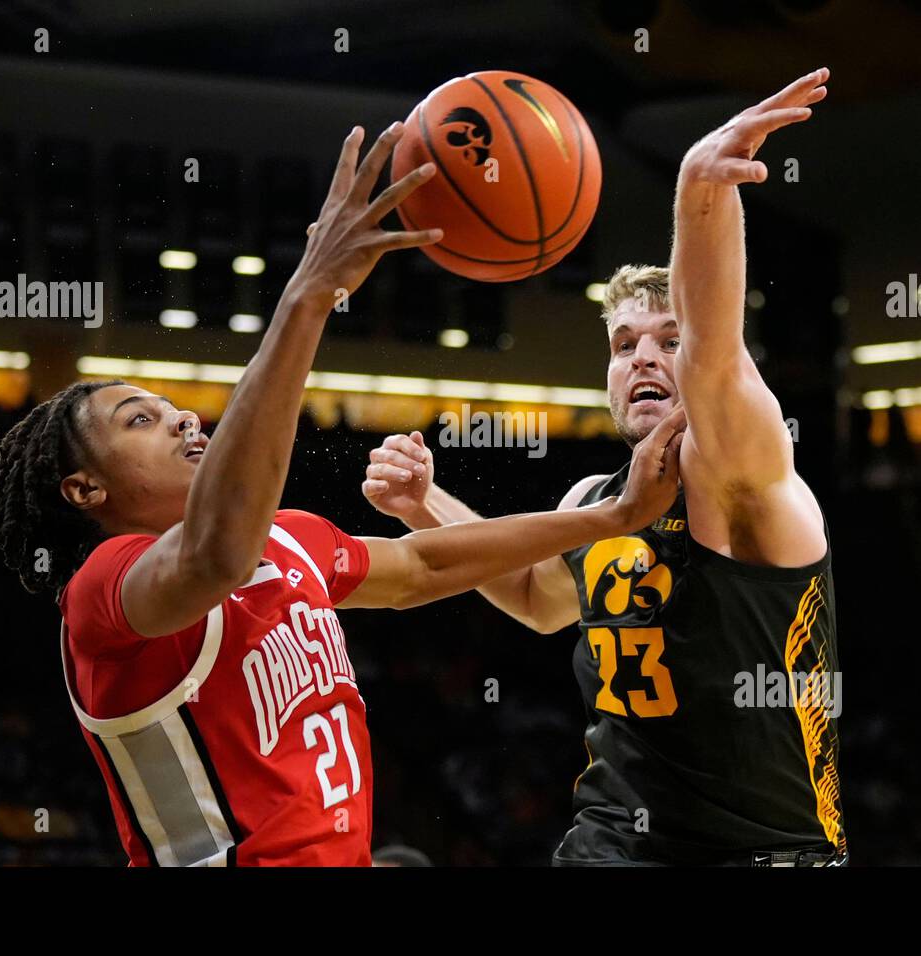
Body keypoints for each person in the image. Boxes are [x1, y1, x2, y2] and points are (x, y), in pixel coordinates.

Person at [0, 123, 686, 867]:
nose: (183, 416)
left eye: (170, 405)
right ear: (85, 487)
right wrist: (309, 296)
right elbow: (217, 552)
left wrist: (611, 516)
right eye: (140, 420)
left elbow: (423, 569)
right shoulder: (103, 594)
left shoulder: (289, 539)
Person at [361, 69, 847, 866]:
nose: (644, 358)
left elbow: (718, 357)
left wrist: (701, 191)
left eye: (667, 339)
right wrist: (426, 503)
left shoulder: (746, 475)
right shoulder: (592, 501)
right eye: (625, 345)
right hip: (611, 846)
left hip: (759, 853)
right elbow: (535, 599)